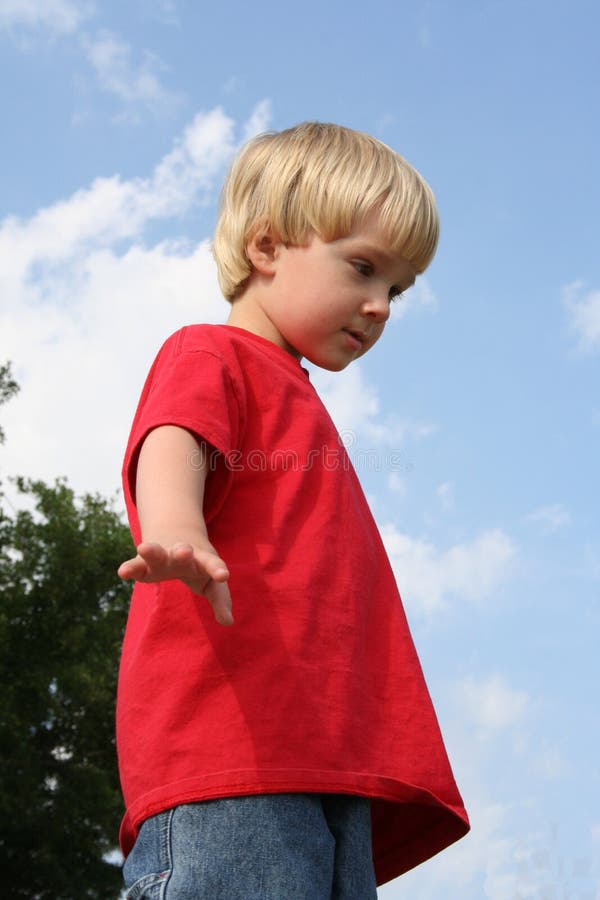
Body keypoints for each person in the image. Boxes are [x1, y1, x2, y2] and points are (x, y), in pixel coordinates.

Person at [117, 121, 469, 899]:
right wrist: (176, 525)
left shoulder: (302, 402)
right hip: (233, 762)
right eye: (364, 268)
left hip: (329, 769)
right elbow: (173, 436)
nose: (380, 306)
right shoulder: (211, 352)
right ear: (268, 247)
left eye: (398, 289)